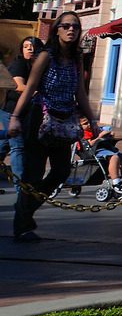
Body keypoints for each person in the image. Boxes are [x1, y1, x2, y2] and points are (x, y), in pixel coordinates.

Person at [7, 13, 99, 241]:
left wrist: (92, 119)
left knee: (61, 171)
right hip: (41, 118)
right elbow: (30, 88)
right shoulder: (46, 56)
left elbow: (80, 93)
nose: (71, 30)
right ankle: (23, 225)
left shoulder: (77, 58)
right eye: (66, 26)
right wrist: (15, 116)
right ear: (56, 29)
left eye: (75, 27)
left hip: (65, 120)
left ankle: (26, 212)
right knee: (33, 173)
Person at [3, 36, 38, 187]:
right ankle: (21, 188)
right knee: (18, 147)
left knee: (4, 146)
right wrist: (40, 93)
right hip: (10, 112)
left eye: (33, 46)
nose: (30, 49)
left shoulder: (37, 67)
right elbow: (19, 86)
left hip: (24, 114)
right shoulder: (19, 63)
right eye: (26, 46)